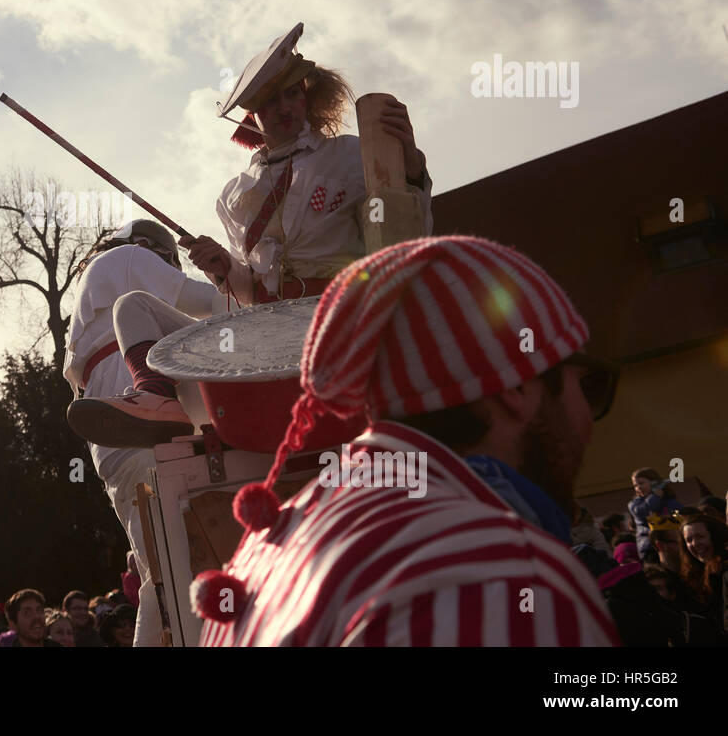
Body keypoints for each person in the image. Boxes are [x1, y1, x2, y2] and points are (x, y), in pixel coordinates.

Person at [193, 235, 621, 646]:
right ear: (518, 389)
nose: (591, 416)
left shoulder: (269, 547)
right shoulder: (499, 578)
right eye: (591, 386)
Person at [71, 22, 432, 454]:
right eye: (268, 101)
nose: (284, 108)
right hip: (265, 333)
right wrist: (226, 270)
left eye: (291, 93)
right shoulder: (234, 195)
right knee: (133, 306)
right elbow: (248, 293)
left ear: (306, 95)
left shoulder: (347, 156)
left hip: (332, 317)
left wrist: (407, 165)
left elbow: (398, 241)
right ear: (252, 117)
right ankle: (158, 400)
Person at [62, 219, 223, 643]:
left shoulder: (81, 316)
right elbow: (206, 305)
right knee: (178, 572)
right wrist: (233, 279)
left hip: (117, 454)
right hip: (155, 434)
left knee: (161, 577)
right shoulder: (127, 259)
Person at [677, 509, 728, 638]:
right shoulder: (690, 575)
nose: (695, 544)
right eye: (689, 540)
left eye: (700, 537)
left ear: (714, 536)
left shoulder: (725, 569)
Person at [628, 468, 683, 563]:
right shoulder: (635, 504)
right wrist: (655, 496)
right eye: (635, 485)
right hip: (649, 548)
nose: (638, 488)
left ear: (654, 483)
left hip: (673, 545)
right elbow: (645, 511)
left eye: (641, 483)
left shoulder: (670, 502)